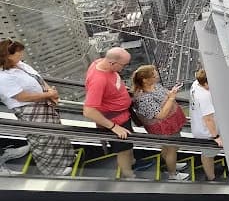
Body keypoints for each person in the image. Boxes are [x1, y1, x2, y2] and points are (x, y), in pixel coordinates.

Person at [0, 39, 74, 176]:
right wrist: (47, 95)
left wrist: (49, 92)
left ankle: (66, 158)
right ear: (7, 56)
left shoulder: (19, 64)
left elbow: (37, 77)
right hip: (28, 108)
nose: (21, 56)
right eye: (18, 53)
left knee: (56, 133)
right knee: (44, 138)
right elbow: (22, 97)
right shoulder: (3, 77)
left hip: (42, 102)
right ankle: (53, 170)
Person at [83, 47, 136, 179]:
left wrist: (122, 90)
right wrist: (114, 127)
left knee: (127, 145)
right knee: (123, 151)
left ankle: (132, 162)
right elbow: (88, 111)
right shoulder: (99, 80)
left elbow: (111, 84)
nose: (124, 68)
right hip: (117, 121)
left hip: (122, 116)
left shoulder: (99, 62)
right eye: (123, 65)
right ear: (112, 63)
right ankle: (128, 175)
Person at [130, 65, 188, 181]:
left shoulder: (155, 86)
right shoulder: (143, 98)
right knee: (172, 147)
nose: (157, 75)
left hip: (171, 122)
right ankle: (172, 174)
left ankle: (170, 163)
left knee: (169, 148)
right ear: (145, 80)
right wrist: (171, 98)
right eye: (154, 74)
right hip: (164, 127)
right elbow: (160, 115)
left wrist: (171, 93)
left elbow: (164, 97)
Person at [189, 69, 223, 182]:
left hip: (198, 125)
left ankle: (211, 171)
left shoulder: (196, 84)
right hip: (207, 132)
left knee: (208, 153)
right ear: (206, 83)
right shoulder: (205, 96)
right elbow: (208, 119)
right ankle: (211, 178)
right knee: (208, 154)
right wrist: (216, 137)